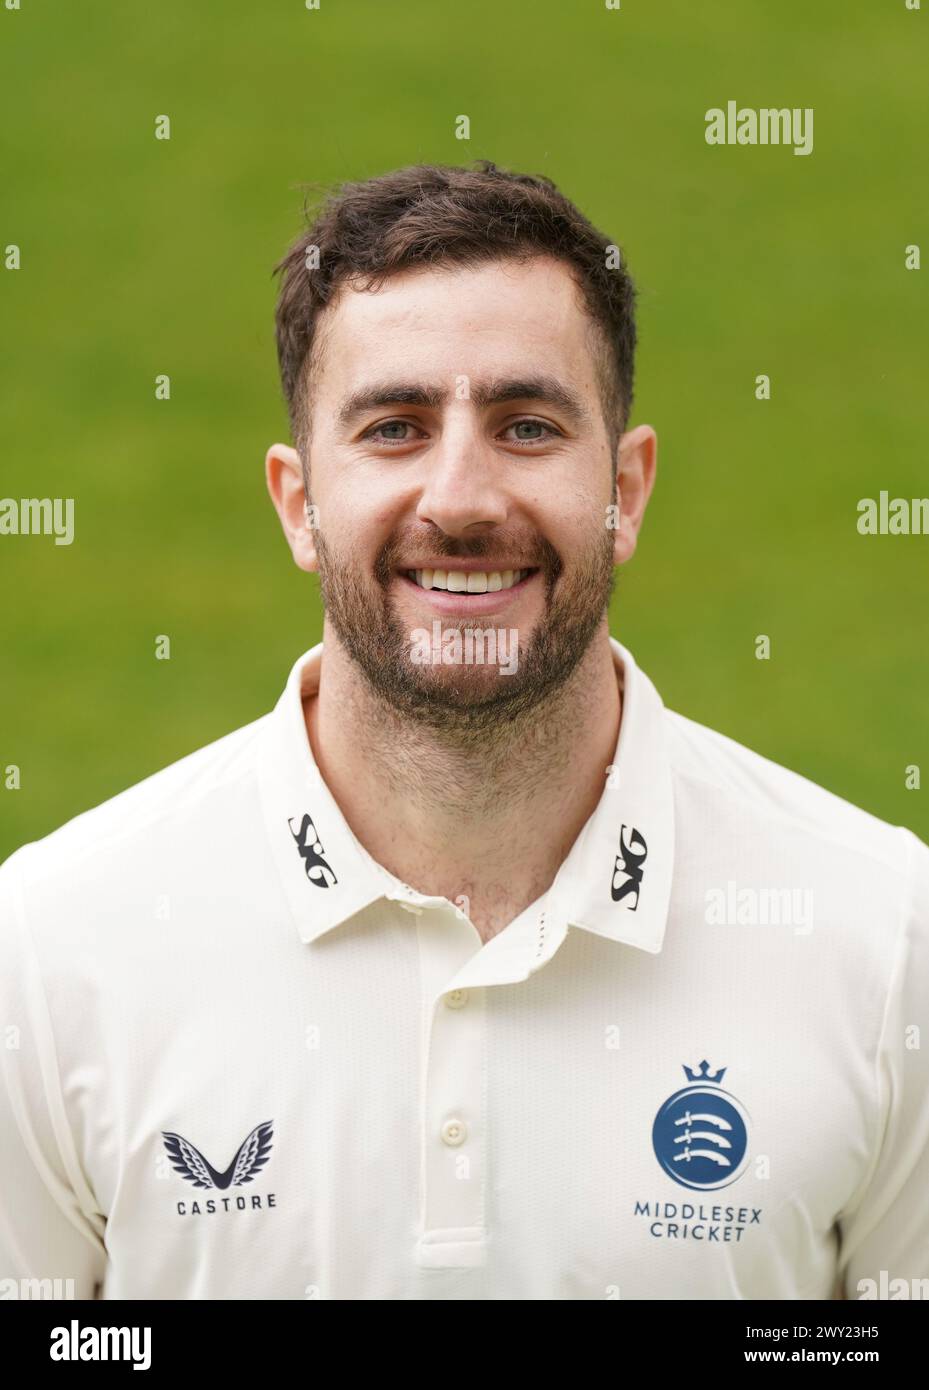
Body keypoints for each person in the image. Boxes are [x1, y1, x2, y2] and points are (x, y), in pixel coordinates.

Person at [1, 162, 926, 1301]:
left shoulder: (886, 939)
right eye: (392, 428)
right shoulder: (51, 950)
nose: (461, 498)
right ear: (298, 504)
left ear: (623, 492)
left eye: (525, 425)